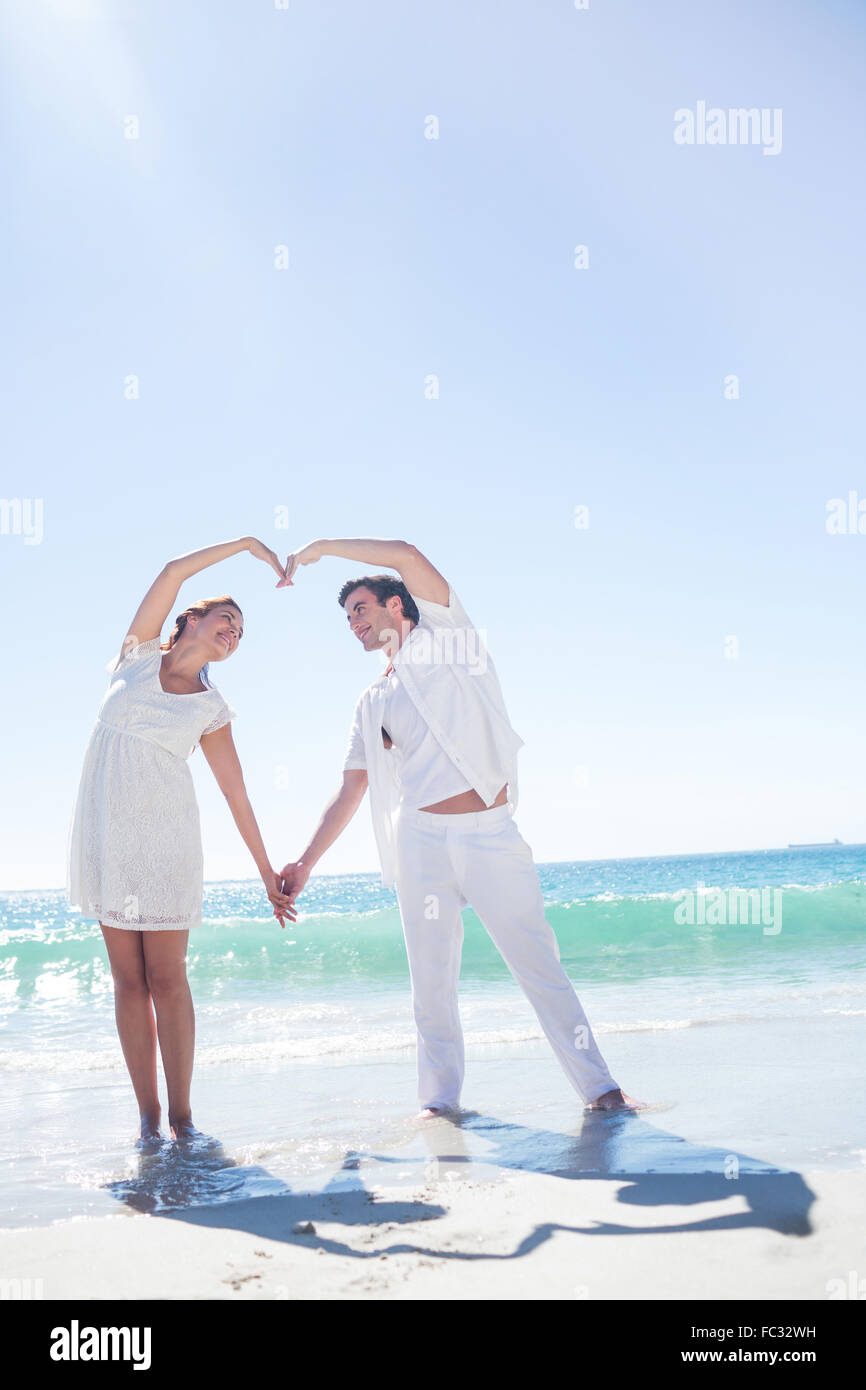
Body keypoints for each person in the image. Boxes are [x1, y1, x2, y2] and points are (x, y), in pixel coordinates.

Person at [274, 538, 642, 1117]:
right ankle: (438, 1104)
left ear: (398, 606)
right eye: (347, 618)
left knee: (539, 966)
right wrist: (304, 863)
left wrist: (321, 549)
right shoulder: (371, 701)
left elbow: (405, 553)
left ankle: (603, 1091)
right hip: (420, 842)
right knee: (431, 984)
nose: (353, 624)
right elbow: (353, 788)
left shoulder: (450, 638)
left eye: (361, 610)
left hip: (490, 833)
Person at [66, 536, 295, 1143]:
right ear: (190, 619)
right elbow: (171, 570)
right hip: (107, 839)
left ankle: (184, 1116)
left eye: (240, 631)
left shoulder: (211, 707)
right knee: (126, 982)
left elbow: (236, 792)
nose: (234, 632)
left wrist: (267, 873)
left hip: (167, 843)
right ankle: (146, 1116)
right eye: (227, 618)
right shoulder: (134, 657)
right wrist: (248, 545)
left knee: (167, 979)